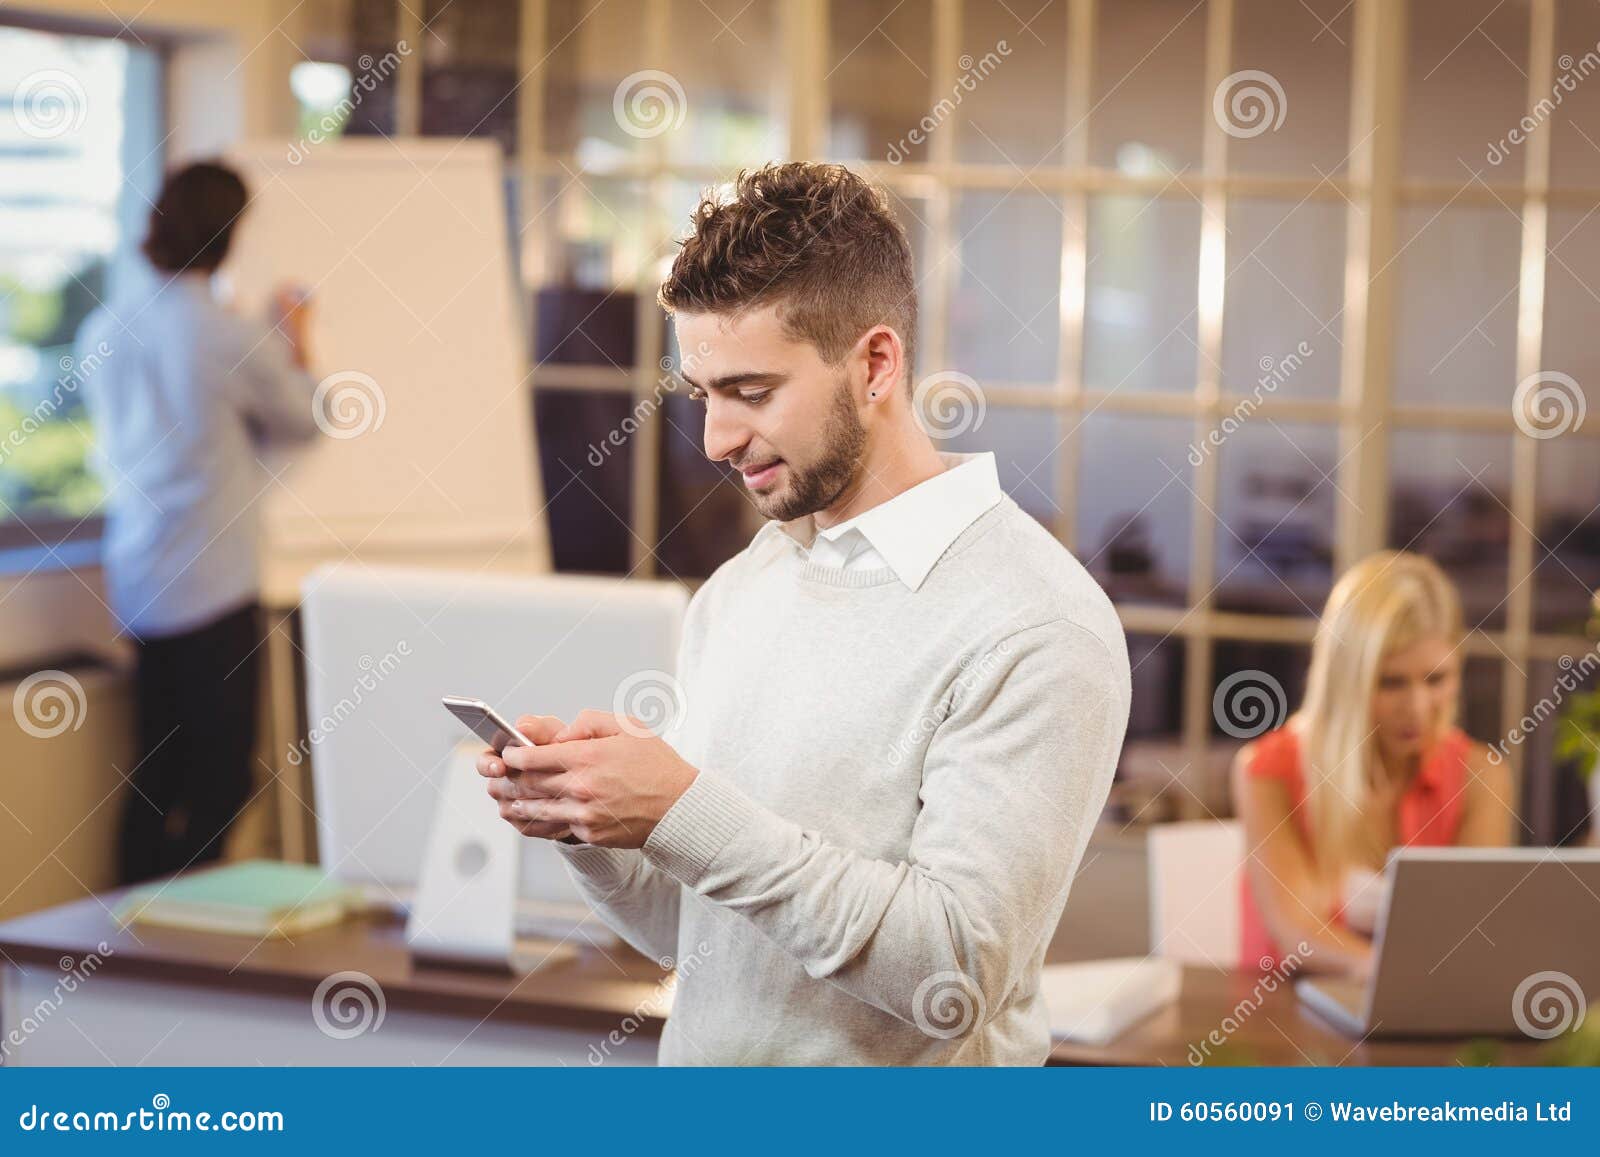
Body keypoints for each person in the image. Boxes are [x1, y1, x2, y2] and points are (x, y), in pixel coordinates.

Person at [476, 162, 1132, 1065]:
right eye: (704, 395)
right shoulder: (744, 588)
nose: (715, 439)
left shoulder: (1036, 624)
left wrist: (681, 810)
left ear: (874, 364)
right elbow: (706, 938)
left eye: (751, 392)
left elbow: (957, 974)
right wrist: (593, 828)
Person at [77, 160, 320, 885]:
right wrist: (296, 336)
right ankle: (178, 915)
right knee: (222, 774)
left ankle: (128, 936)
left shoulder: (105, 324)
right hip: (212, 579)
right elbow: (305, 417)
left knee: (158, 768)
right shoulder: (221, 332)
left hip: (140, 575)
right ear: (228, 233)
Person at [1231, 550, 1514, 979]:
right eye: (1390, 682)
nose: (1417, 708)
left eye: (1436, 679)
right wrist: (1399, 978)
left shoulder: (1482, 777)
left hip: (1415, 1019)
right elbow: (1298, 932)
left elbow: (1469, 929)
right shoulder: (1268, 770)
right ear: (1346, 681)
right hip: (1283, 1021)